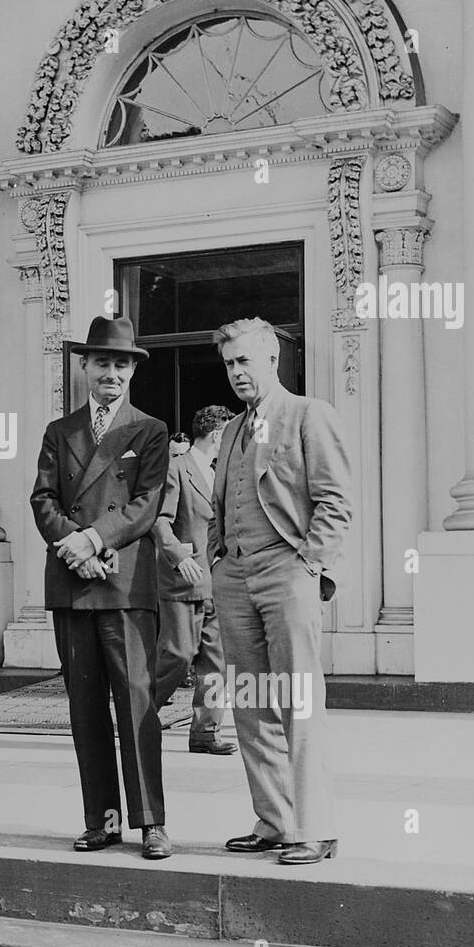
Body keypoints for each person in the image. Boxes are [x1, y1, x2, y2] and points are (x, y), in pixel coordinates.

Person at [207, 318, 352, 865]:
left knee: (299, 700)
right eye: (228, 364)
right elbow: (222, 505)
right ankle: (275, 821)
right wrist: (219, 557)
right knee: (250, 701)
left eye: (245, 361)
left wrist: (310, 566)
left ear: (272, 360)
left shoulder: (308, 414)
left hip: (287, 571)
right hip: (236, 578)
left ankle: (316, 828)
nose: (236, 372)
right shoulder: (228, 432)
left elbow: (336, 500)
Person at [30, 316, 172, 860]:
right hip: (72, 582)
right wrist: (74, 546)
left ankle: (151, 822)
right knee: (84, 705)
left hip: (124, 583)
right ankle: (102, 819)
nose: (111, 372)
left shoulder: (150, 430)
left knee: (136, 702)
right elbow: (42, 499)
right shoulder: (59, 431)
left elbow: (145, 504)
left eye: (122, 363)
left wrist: (92, 539)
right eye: (102, 362)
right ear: (84, 367)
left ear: (133, 370)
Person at [153, 405, 238, 755]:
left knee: (216, 663)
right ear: (218, 434)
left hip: (215, 582)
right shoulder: (175, 468)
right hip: (183, 583)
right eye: (229, 434)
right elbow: (159, 521)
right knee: (177, 653)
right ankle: (138, 714)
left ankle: (205, 733)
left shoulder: (220, 474)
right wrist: (179, 556)